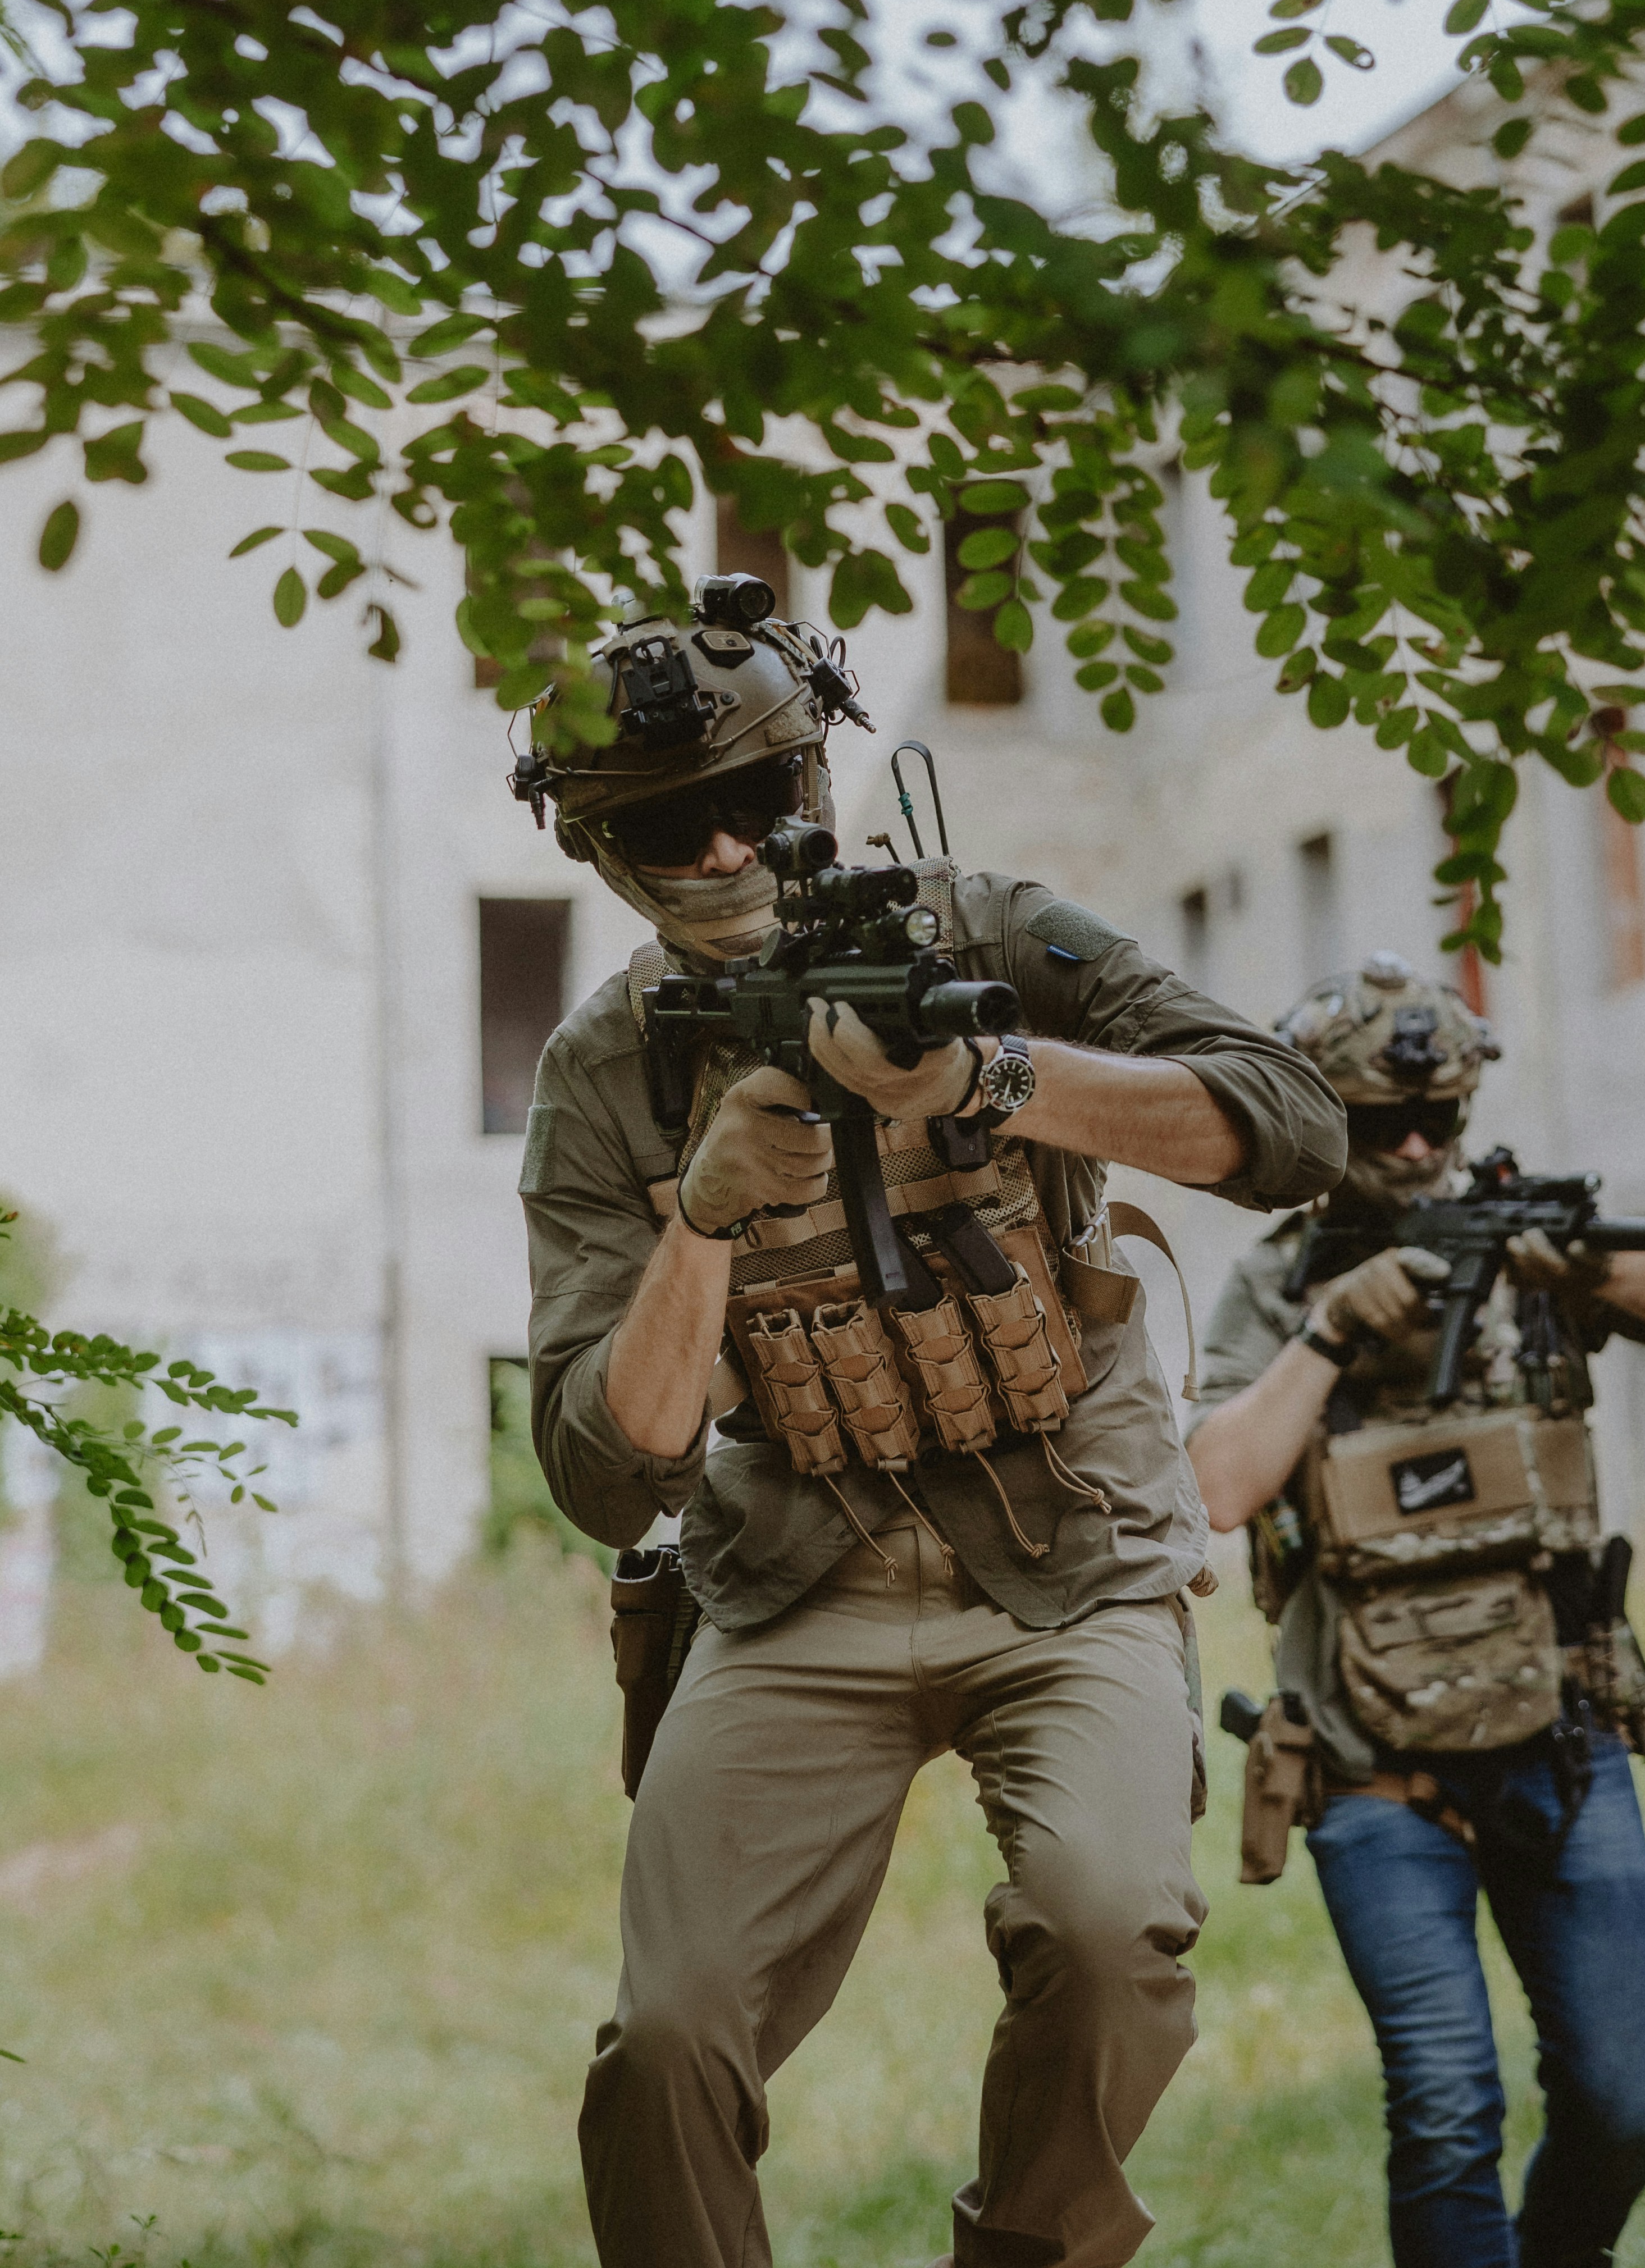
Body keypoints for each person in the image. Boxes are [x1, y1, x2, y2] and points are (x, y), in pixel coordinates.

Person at [513, 586, 1347, 2268]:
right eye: (681, 829)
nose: (737, 849)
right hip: (792, 1579)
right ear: (612, 851)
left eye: (768, 800)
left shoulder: (990, 932)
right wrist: (706, 1214)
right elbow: (611, 1474)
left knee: (1115, 1938)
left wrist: (987, 1082)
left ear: (824, 781)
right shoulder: (607, 1071)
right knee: (667, 2042)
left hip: (1070, 1548)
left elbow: (1290, 1124)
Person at [1189, 956, 1645, 2268]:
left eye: (1437, 1122)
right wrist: (1334, 1331)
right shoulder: (1279, 1289)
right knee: (1447, 2108)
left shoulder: (1529, 1237)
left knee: (1626, 2108)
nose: (1412, 1149)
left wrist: (1581, 1270)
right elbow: (1217, 1489)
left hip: (1566, 1737)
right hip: (1365, 1764)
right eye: (1378, 1128)